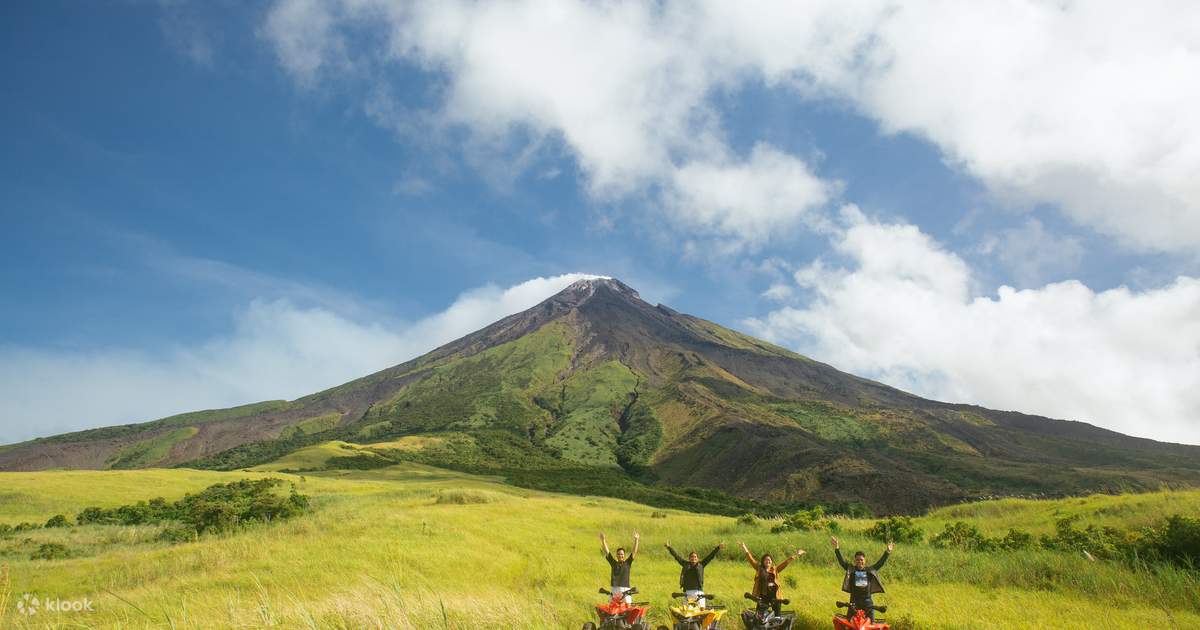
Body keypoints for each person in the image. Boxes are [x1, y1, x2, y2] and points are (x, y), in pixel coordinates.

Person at [831, 536, 893, 622]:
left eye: (861, 560)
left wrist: (888, 552)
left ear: (865, 561)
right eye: (857, 560)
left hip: (867, 602)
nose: (859, 562)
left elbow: (880, 563)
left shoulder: (869, 570)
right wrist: (837, 548)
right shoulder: (851, 569)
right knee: (848, 622)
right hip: (853, 601)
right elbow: (842, 562)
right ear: (854, 561)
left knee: (872, 623)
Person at [739, 542, 804, 616]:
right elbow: (750, 559)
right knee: (759, 616)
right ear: (763, 561)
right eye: (766, 560)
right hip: (763, 596)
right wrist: (744, 547)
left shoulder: (775, 569)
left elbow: (786, 562)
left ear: (771, 562)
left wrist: (797, 554)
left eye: (769, 560)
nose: (768, 561)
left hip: (775, 596)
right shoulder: (759, 569)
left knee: (777, 617)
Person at [665, 541, 724, 607]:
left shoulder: (701, 565)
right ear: (689, 558)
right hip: (687, 592)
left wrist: (718, 548)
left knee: (700, 610)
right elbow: (676, 556)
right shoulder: (685, 564)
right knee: (687, 611)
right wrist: (669, 547)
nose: (693, 558)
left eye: (695, 557)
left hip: (699, 592)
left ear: (697, 558)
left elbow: (710, 556)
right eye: (692, 557)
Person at [600, 531, 639, 603]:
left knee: (627, 606)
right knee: (613, 607)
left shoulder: (628, 563)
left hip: (625, 589)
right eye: (618, 554)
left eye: (622, 554)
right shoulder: (613, 563)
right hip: (614, 589)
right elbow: (607, 552)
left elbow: (634, 552)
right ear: (616, 555)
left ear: (624, 555)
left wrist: (636, 540)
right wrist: (603, 540)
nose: (620, 556)